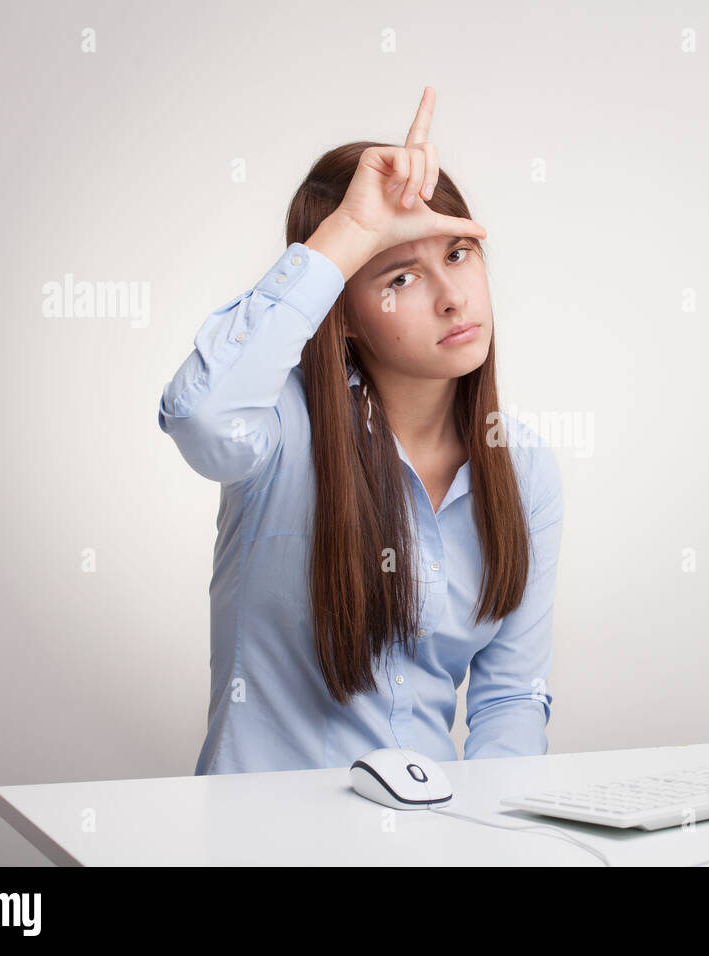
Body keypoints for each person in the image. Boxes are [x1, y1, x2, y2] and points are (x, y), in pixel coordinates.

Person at [157, 87, 562, 774]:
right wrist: (346, 237)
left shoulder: (523, 469)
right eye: (401, 275)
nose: (451, 297)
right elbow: (199, 415)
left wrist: (500, 836)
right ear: (340, 314)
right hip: (260, 840)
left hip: (435, 836)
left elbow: (510, 702)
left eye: (459, 254)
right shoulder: (280, 430)